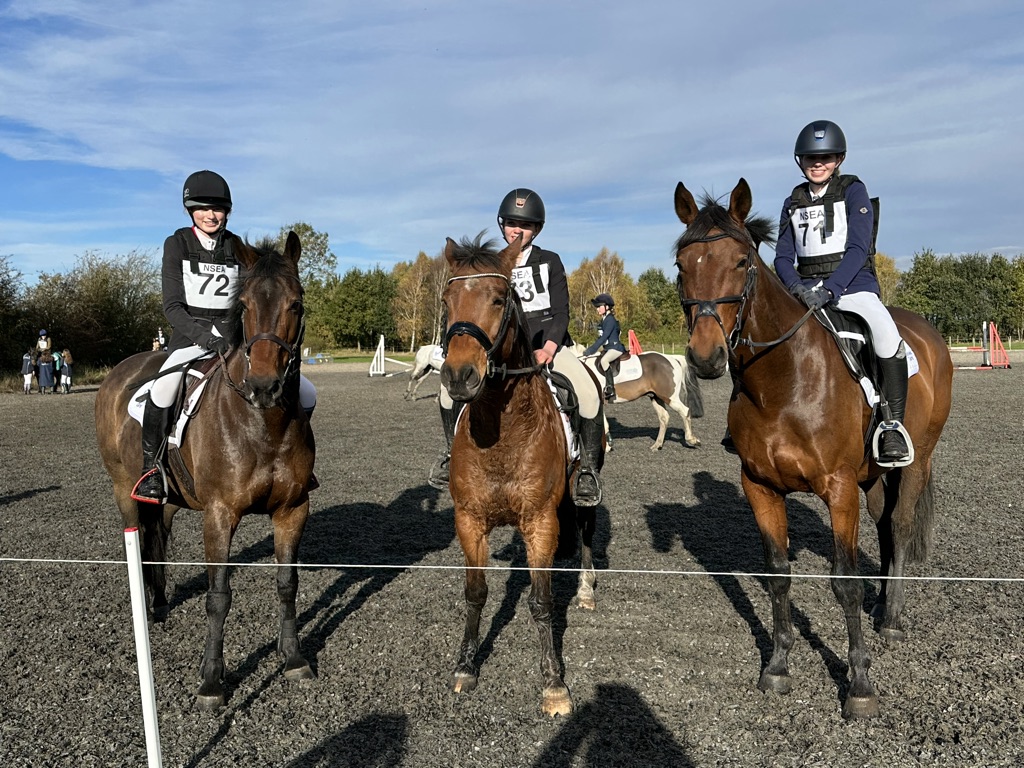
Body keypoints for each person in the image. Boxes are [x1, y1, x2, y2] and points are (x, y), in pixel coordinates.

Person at [133, 170, 319, 503]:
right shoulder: (178, 244)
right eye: (203, 208)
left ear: (227, 212)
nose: (210, 215)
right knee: (162, 389)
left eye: (217, 209)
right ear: (191, 210)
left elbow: (264, 294)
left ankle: (294, 462)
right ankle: (152, 470)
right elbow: (172, 307)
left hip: (237, 341)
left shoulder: (238, 248)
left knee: (307, 393)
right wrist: (206, 338)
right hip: (191, 339)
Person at [428, 188, 605, 506]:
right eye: (510, 223)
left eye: (524, 225)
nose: (516, 229)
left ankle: (588, 470)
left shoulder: (549, 261)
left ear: (536, 229)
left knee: (589, 393)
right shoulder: (491, 266)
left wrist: (550, 347)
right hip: (500, 352)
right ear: (502, 225)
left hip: (547, 347)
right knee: (446, 392)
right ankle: (447, 453)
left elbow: (561, 310)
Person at [773, 119, 912, 466]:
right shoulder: (793, 200)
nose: (817, 164)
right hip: (804, 291)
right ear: (800, 160)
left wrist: (832, 290)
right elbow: (782, 255)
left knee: (885, 333)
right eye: (810, 158)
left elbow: (857, 247)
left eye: (826, 157)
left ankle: (892, 424)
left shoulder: (854, 191)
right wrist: (795, 287)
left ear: (839, 159)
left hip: (852, 286)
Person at [583, 293, 625, 402]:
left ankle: (610, 388)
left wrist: (592, 349)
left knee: (604, 361)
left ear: (607, 307)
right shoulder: (604, 319)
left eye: (599, 307)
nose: (597, 309)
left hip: (615, 348)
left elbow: (605, 336)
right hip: (608, 347)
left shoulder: (610, 319)